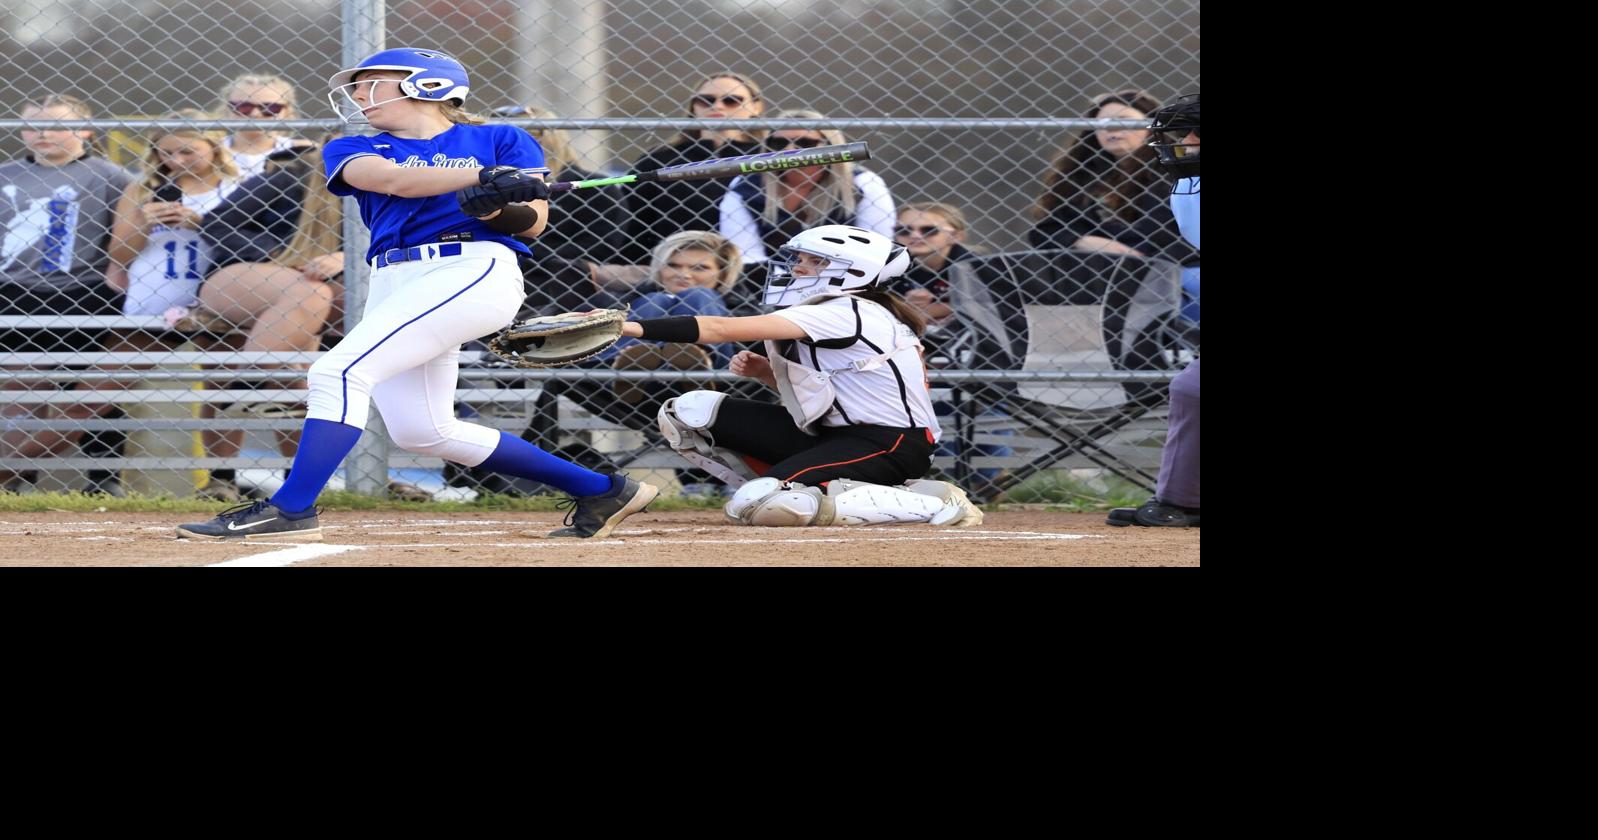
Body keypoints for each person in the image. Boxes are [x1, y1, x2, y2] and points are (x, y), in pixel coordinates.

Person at [176, 47, 657, 541]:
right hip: (394, 280)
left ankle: (291, 509)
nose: (359, 94)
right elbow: (393, 181)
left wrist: (492, 209)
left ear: (426, 85)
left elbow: (533, 222)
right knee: (424, 430)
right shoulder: (353, 147)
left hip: (471, 268)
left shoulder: (501, 138)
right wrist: (480, 178)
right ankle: (603, 490)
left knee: (337, 371)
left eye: (371, 83)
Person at [622, 223, 984, 528]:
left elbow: (717, 327)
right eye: (799, 259)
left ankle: (932, 502)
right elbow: (831, 395)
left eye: (815, 261)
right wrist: (768, 374)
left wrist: (629, 328)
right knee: (688, 411)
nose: (798, 268)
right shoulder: (829, 308)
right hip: (831, 435)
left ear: (855, 271)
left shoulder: (846, 310)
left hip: (889, 444)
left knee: (758, 505)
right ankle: (788, 490)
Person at [1, 94, 136, 491]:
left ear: (84, 131)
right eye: (32, 126)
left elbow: (124, 239)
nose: (43, 134)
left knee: (89, 386)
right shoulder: (6, 175)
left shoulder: (111, 176)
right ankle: (16, 474)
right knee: (18, 383)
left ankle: (104, 475)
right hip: (14, 288)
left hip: (84, 288)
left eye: (56, 125)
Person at [1108, 92, 1199, 528]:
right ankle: (1183, 501)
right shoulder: (1187, 188)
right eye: (1185, 134)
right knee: (1192, 388)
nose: (1188, 142)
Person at [1027, 90, 1197, 269]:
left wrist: (1145, 263)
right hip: (1102, 272)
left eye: (1124, 120)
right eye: (1102, 123)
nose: (1112, 128)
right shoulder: (1083, 175)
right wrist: (1085, 241)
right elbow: (1046, 231)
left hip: (1176, 267)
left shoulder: (1181, 170)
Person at [719, 108, 896, 264]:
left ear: (829, 147)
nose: (789, 150)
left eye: (805, 143)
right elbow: (745, 254)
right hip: (767, 282)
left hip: (846, 277)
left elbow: (877, 248)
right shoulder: (748, 185)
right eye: (779, 143)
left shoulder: (863, 183)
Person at [625, 72, 767, 261]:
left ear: (756, 107)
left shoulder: (767, 158)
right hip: (672, 265)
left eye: (731, 100)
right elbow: (631, 222)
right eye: (705, 100)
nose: (717, 106)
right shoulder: (660, 158)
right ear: (693, 106)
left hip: (751, 266)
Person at [217, 74, 312, 178]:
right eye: (243, 107)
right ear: (227, 109)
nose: (255, 114)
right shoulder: (209, 151)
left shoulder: (304, 152)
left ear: (287, 111)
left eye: (270, 108)